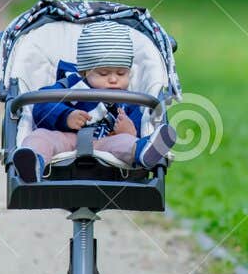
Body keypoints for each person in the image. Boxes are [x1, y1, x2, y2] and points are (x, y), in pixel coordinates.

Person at [12, 22, 175, 180]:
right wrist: (66, 116)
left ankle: (144, 152)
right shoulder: (70, 85)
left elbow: (141, 122)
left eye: (121, 73)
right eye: (103, 73)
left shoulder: (129, 100)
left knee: (126, 142)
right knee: (40, 137)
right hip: (66, 138)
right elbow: (41, 106)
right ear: (84, 72)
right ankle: (33, 162)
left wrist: (131, 131)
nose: (113, 80)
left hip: (107, 142)